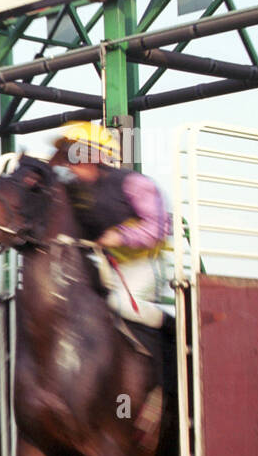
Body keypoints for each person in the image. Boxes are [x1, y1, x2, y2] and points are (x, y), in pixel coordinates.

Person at [52, 121, 171, 328]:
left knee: (121, 304)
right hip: (107, 266)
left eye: (74, 153)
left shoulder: (133, 183)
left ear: (95, 156)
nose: (69, 162)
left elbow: (159, 228)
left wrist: (121, 236)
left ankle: (177, 328)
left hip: (145, 264)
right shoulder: (75, 191)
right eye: (66, 154)